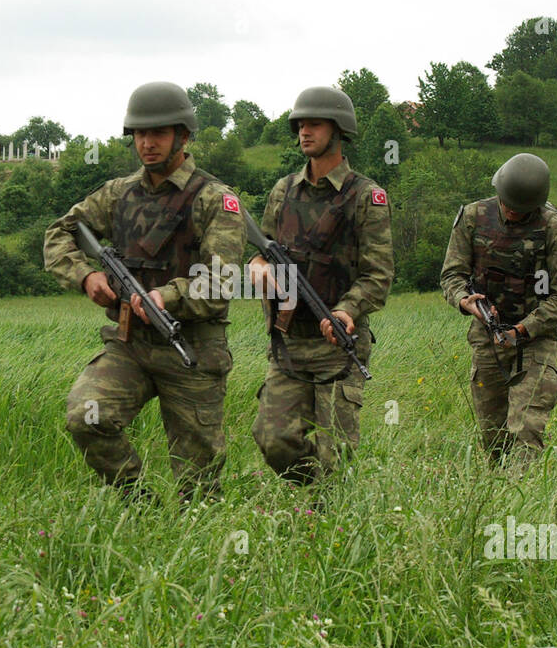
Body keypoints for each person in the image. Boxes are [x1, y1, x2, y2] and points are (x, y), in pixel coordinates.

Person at [43, 81, 244, 498]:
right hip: (129, 343)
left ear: (183, 136)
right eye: (139, 134)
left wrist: (165, 297)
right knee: (87, 418)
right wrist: (86, 276)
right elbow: (60, 233)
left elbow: (221, 280)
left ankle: (201, 544)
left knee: (199, 485)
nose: (147, 143)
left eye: (158, 133)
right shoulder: (118, 194)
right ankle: (139, 506)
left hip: (192, 349)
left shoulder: (214, 199)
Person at [249, 86, 393, 485]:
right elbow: (263, 246)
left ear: (338, 128)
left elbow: (378, 274)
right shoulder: (283, 190)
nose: (304, 132)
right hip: (288, 342)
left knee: (337, 453)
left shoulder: (367, 196)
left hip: (337, 345)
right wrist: (258, 267)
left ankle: (328, 514)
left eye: (314, 124)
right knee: (272, 438)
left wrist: (346, 309)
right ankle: (317, 494)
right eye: (300, 125)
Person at [440, 153, 557, 462]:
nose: (513, 214)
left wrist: (523, 329)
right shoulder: (473, 217)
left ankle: (524, 502)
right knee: (493, 438)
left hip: (536, 340)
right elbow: (452, 274)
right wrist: (464, 300)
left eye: (521, 210)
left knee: (526, 431)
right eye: (508, 206)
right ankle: (499, 501)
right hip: (486, 336)